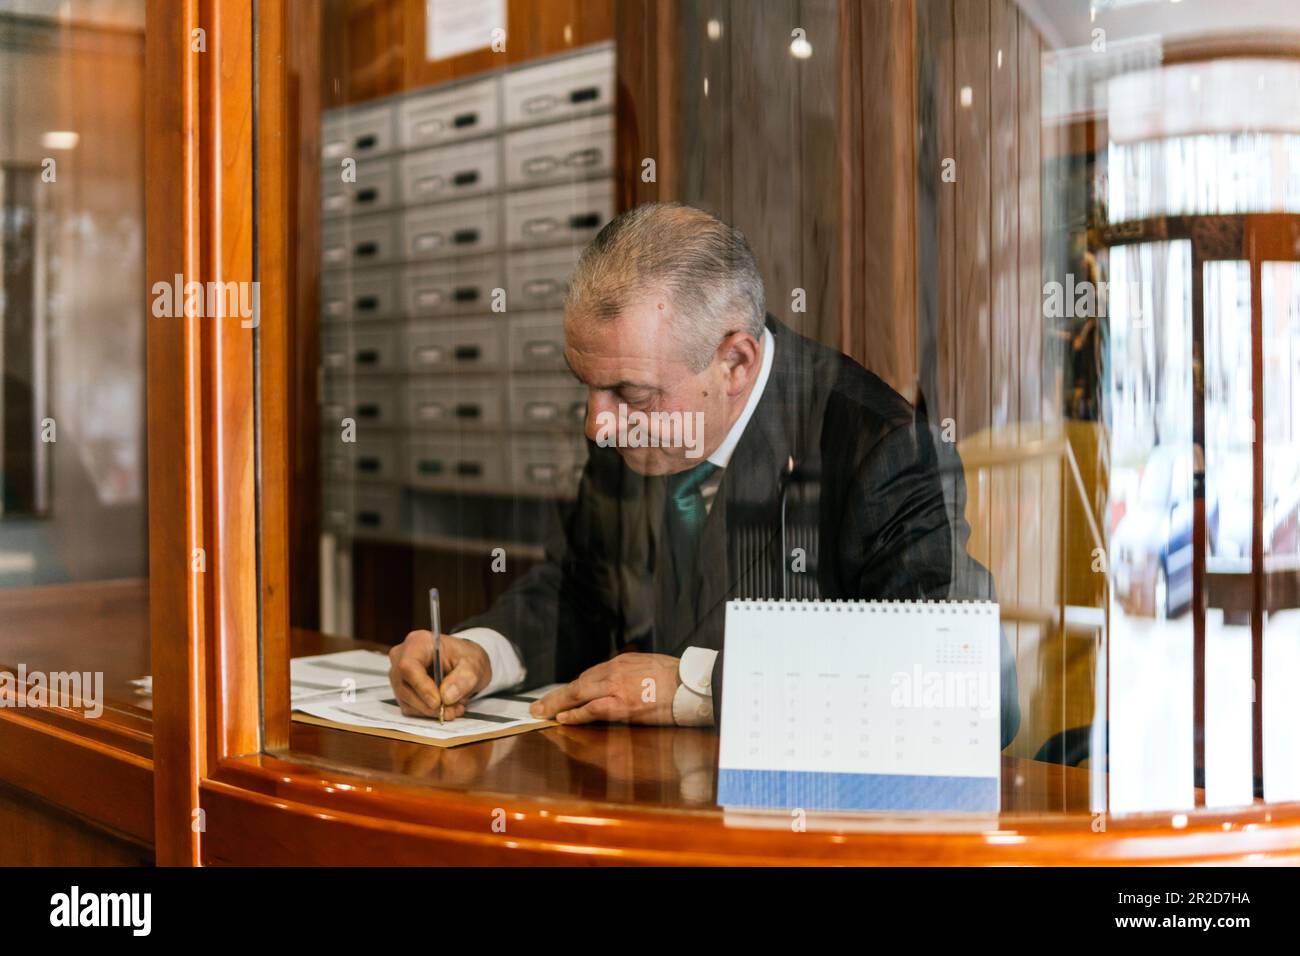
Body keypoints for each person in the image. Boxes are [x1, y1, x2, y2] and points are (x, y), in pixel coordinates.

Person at [387, 202, 1020, 745]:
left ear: (735, 363)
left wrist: (701, 688)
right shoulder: (631, 421)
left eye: (628, 393)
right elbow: (583, 588)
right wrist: (483, 651)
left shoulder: (881, 447)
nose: (596, 426)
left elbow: (970, 688)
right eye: (587, 387)